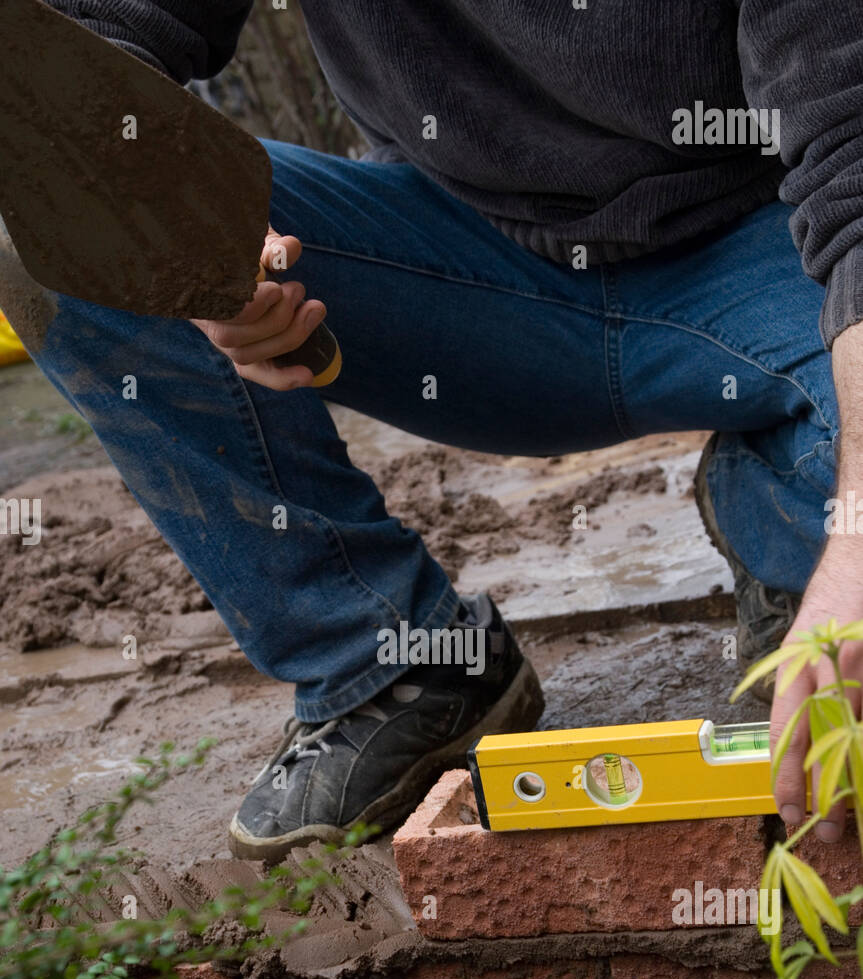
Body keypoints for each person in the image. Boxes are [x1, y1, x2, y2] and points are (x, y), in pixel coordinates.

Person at [4, 1, 862, 860]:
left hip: (767, 260)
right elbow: (79, 65)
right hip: (459, 273)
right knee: (52, 218)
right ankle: (389, 663)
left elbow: (850, 154)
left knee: (844, 533)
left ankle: (776, 496)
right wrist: (195, 249)